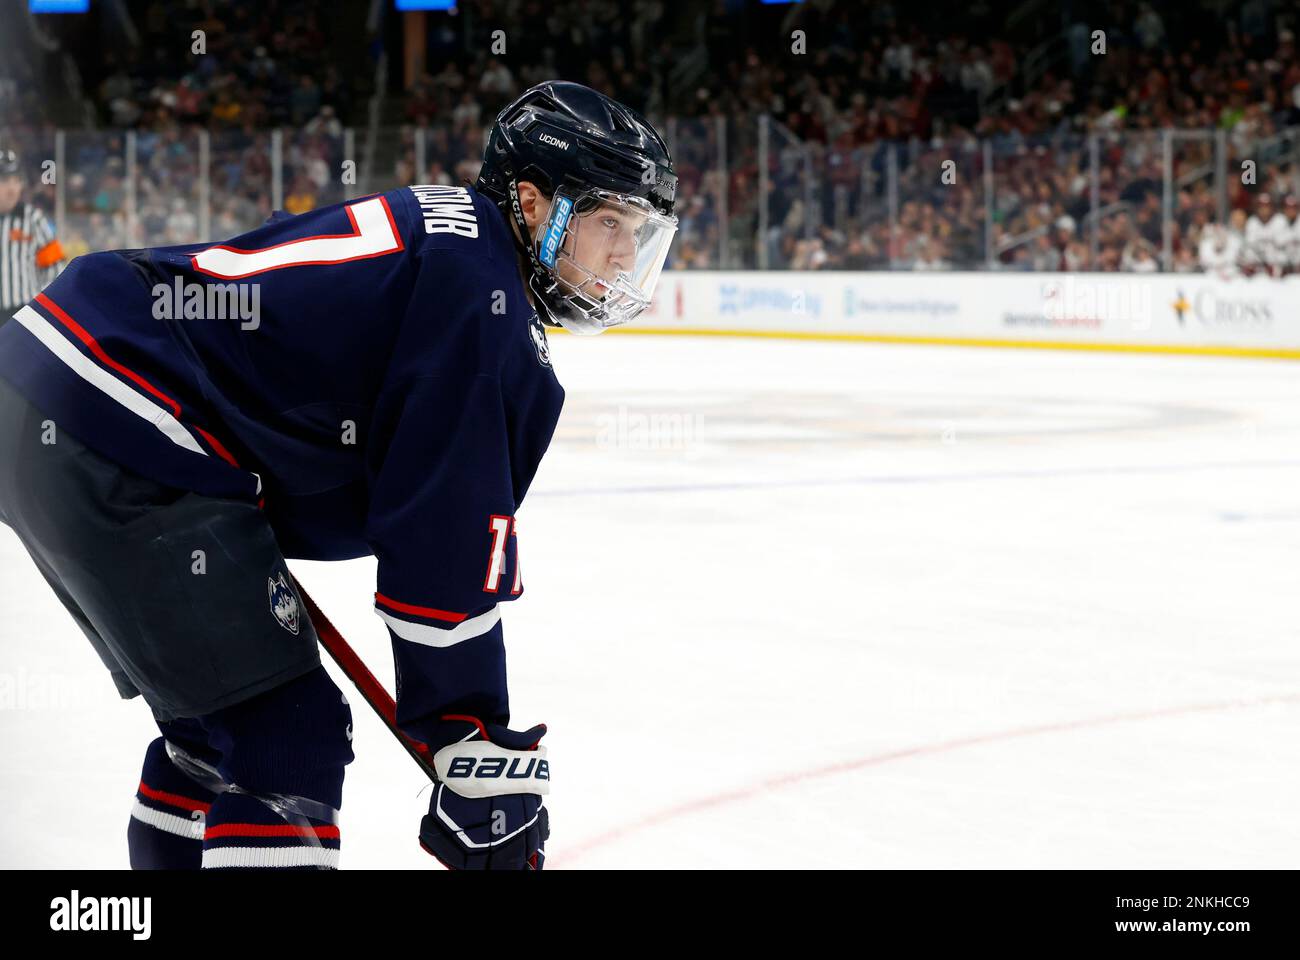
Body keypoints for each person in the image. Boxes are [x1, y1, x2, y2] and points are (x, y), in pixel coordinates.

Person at [0, 81, 678, 870]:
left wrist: (464, 734)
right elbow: (442, 548)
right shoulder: (482, 302)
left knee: (212, 732)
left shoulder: (461, 250)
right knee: (284, 739)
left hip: (66, 388)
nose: (626, 254)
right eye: (607, 222)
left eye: (636, 230)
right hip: (117, 407)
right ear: (531, 203)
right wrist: (471, 740)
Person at [0, 149, 67, 324]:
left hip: (22, 315)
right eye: (5, 180)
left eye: (17, 180)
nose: (12, 188)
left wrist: (40, 308)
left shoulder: (33, 219)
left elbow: (56, 269)